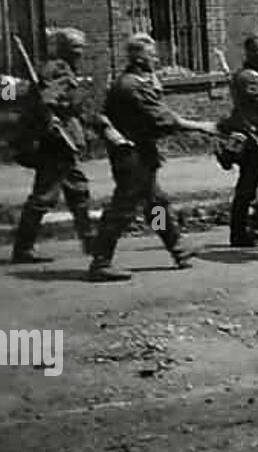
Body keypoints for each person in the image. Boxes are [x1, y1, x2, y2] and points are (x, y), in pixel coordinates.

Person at [87, 34, 217, 282]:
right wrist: (203, 126)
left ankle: (177, 249)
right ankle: (100, 262)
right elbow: (163, 119)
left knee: (156, 204)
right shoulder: (131, 86)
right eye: (151, 54)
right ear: (137, 57)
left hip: (140, 153)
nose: (156, 58)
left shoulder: (137, 81)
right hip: (131, 156)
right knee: (122, 210)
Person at [10, 28, 120, 263]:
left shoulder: (68, 70)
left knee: (77, 191)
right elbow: (48, 99)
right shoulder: (55, 70)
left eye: (81, 48)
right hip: (57, 143)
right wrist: (59, 106)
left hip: (66, 143)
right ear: (64, 49)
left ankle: (89, 241)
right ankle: (23, 248)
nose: (80, 53)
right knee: (44, 197)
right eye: (75, 49)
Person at [222, 33, 258, 247]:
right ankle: (252, 227)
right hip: (255, 139)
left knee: (251, 185)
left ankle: (247, 229)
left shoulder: (255, 74)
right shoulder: (248, 77)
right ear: (248, 52)